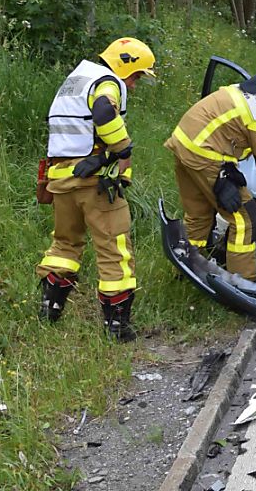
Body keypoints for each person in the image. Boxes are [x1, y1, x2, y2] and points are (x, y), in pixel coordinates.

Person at [37, 38, 157, 342]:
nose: (135, 84)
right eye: (137, 76)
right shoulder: (107, 82)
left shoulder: (75, 81)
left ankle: (50, 308)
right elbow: (104, 111)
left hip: (61, 180)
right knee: (114, 249)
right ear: (124, 66)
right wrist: (121, 147)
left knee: (64, 246)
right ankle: (117, 326)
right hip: (94, 183)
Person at [164, 57, 256, 281]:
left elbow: (229, 134)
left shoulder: (241, 89)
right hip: (206, 155)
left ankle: (185, 272)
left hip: (183, 144)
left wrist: (228, 165)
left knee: (198, 215)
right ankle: (243, 283)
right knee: (245, 220)